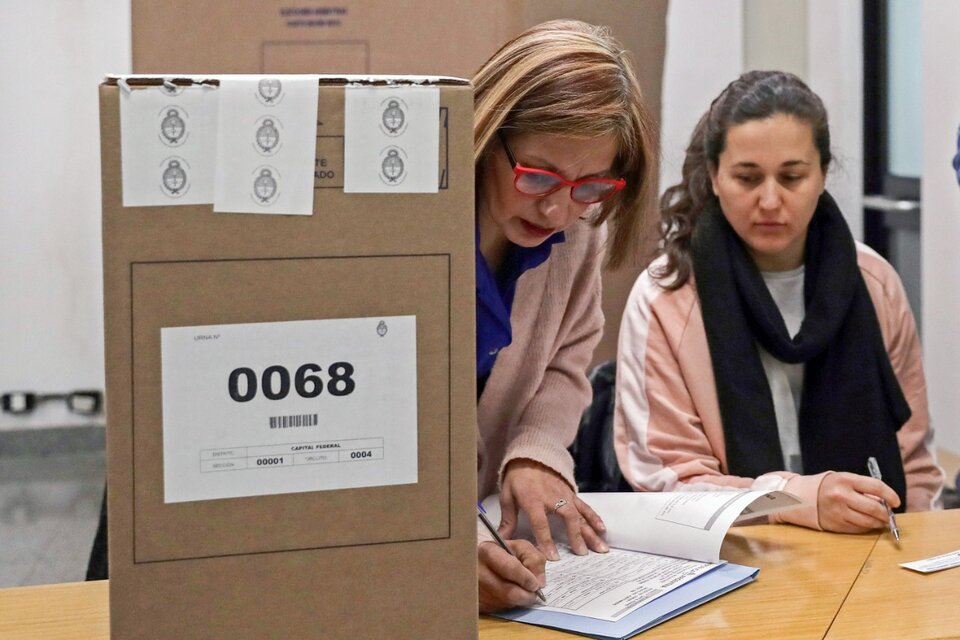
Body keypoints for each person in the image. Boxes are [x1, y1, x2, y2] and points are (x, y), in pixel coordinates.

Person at [613, 70, 942, 534]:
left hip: (867, 550)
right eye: (748, 178)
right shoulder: (665, 296)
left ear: (823, 173)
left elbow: (914, 462)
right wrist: (790, 499)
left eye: (792, 177)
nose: (770, 200)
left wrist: (914, 545)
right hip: (735, 553)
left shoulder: (874, 282)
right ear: (713, 176)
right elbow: (668, 484)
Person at [472, 20, 655, 612]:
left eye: (588, 185)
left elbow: (567, 362)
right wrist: (446, 552)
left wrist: (535, 453)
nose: (556, 207)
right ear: (484, 135)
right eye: (538, 176)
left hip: (489, 526)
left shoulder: (578, 231)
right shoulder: (407, 233)